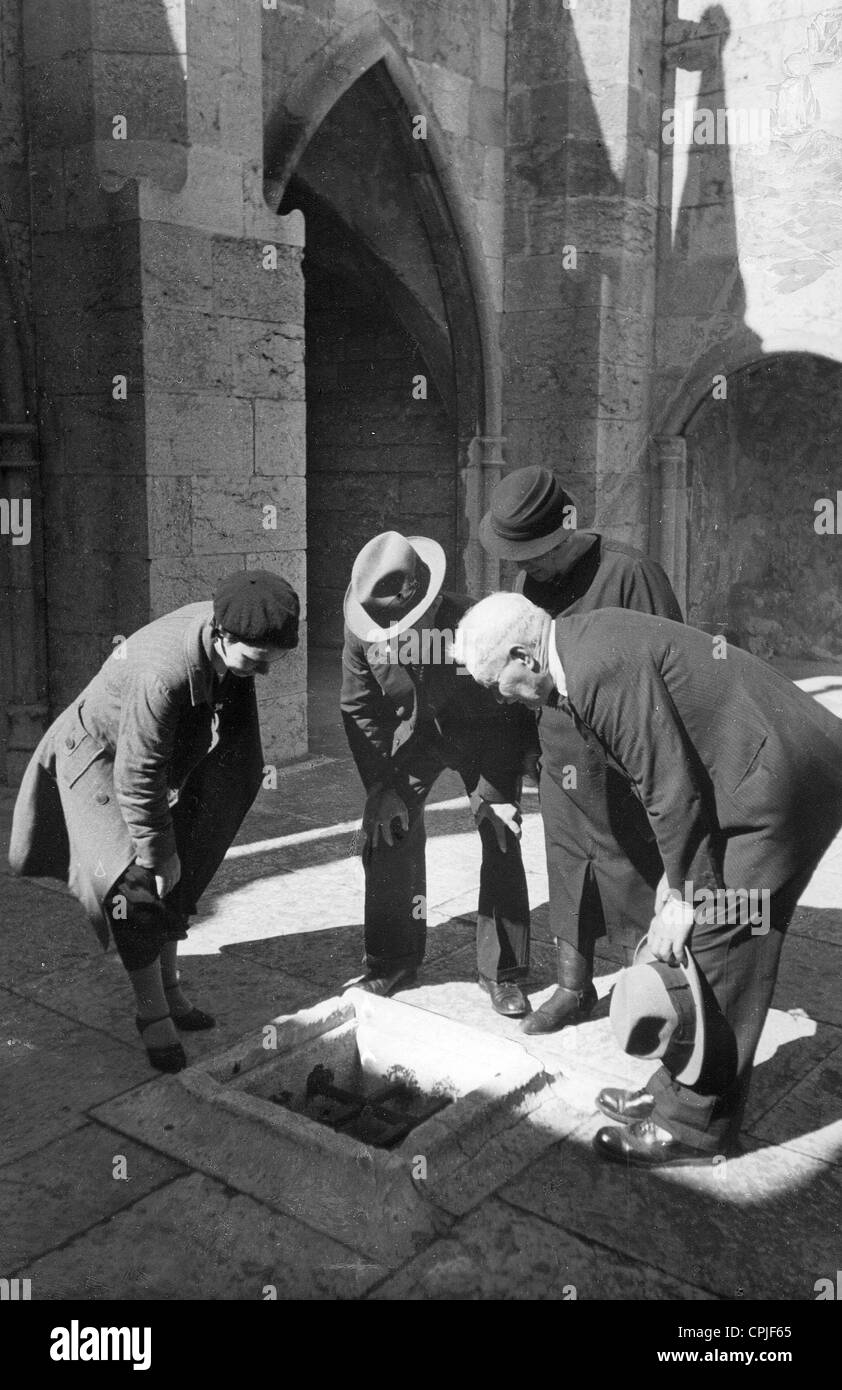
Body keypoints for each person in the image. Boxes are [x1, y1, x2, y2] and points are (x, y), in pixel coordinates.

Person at [454, 593, 842, 1166]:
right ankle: (675, 1090)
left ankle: (692, 1127)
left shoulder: (595, 669)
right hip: (761, 765)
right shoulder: (579, 648)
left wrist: (686, 894)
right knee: (716, 925)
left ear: (523, 656)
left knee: (721, 932)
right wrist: (679, 876)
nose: (496, 696)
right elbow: (665, 773)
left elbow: (668, 787)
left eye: (495, 682)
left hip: (781, 779)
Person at [9, 570, 300, 1073]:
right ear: (221, 635)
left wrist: (191, 838)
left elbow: (231, 752)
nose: (264, 672)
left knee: (183, 864)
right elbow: (136, 775)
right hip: (97, 760)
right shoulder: (160, 673)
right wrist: (158, 851)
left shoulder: (229, 642)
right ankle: (153, 1013)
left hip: (149, 757)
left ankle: (171, 988)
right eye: (256, 661)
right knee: (137, 888)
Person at [479, 466, 682, 1034]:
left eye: (536, 554)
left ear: (566, 531)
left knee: (638, 872)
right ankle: (573, 987)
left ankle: (650, 994)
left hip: (625, 756)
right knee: (570, 867)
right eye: (519, 558)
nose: (528, 569)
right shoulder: (531, 586)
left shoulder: (631, 572)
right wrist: (526, 751)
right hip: (560, 756)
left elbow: (671, 668)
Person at [341, 531, 531, 1016]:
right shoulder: (363, 630)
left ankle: (503, 972)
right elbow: (359, 708)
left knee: (500, 833)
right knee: (386, 829)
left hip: (486, 732)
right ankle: (392, 959)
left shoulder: (475, 621)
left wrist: (511, 776)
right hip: (415, 736)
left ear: (430, 600)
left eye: (409, 621)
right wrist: (380, 787)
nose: (398, 632)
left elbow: (515, 701)